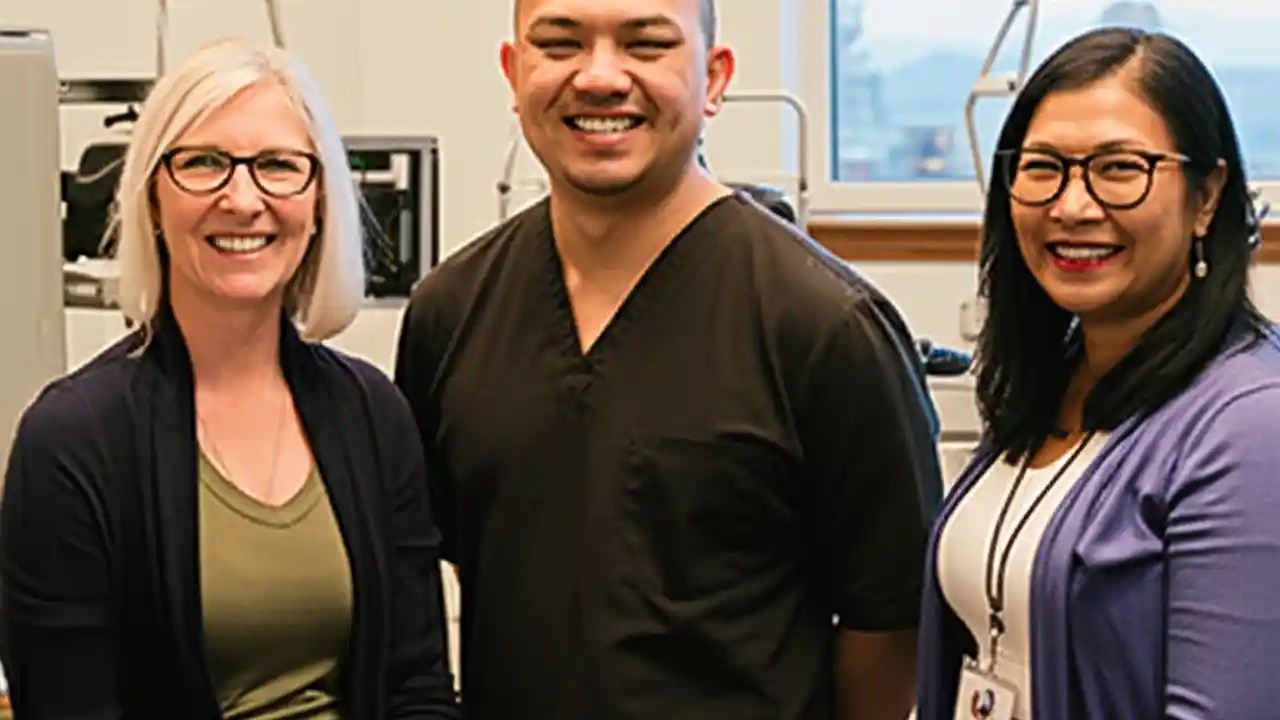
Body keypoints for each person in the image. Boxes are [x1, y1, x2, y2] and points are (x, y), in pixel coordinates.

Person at [392, 1, 941, 718]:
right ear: (514, 70)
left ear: (715, 79)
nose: (598, 77)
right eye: (559, 44)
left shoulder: (824, 328)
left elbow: (892, 623)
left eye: (645, 45)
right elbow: (483, 560)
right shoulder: (450, 312)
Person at [0, 37, 461, 718]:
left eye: (278, 165)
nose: (242, 199)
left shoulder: (372, 414)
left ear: (319, 204)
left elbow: (417, 685)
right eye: (205, 163)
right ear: (153, 199)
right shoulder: (72, 443)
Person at [916, 27, 1280, 720]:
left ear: (1207, 195)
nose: (1073, 206)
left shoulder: (1252, 426)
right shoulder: (1047, 382)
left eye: (1120, 168)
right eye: (1044, 167)